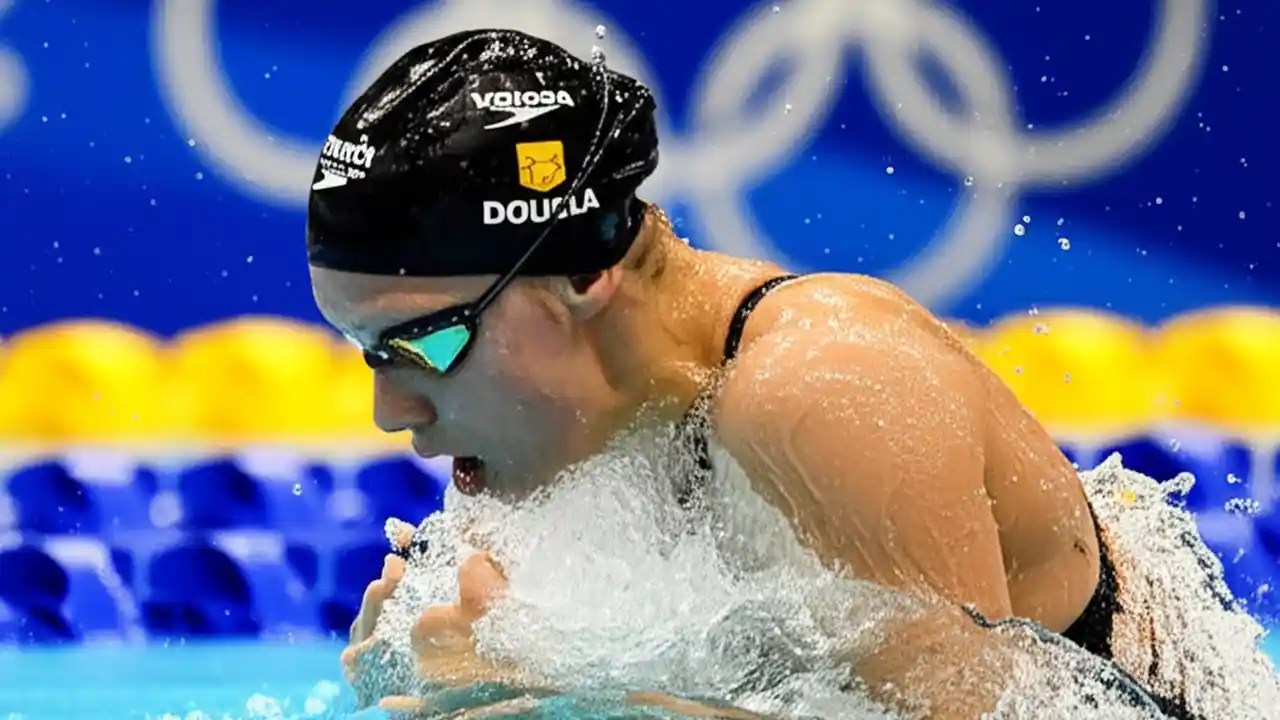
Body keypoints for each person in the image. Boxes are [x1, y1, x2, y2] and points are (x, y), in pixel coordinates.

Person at [308, 29, 1192, 718]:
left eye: (422, 343)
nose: (393, 410)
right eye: (366, 352)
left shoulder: (827, 393)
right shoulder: (593, 436)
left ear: (581, 276)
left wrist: (570, 707)